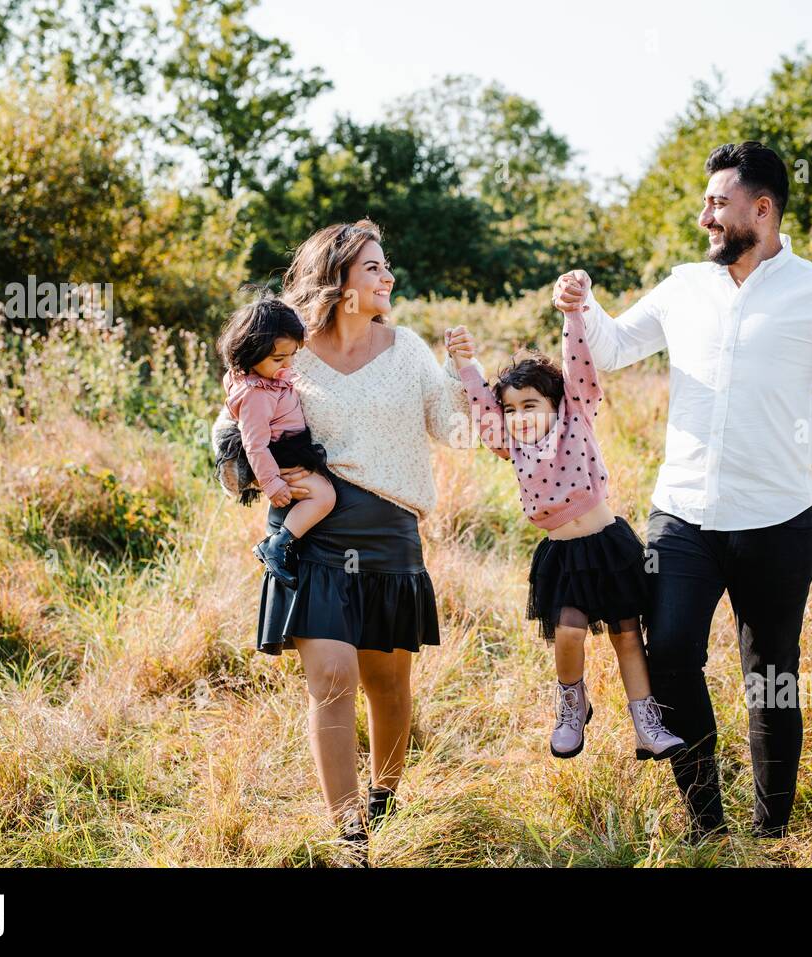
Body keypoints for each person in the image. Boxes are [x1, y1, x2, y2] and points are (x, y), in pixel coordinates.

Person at [552, 141, 812, 841]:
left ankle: (771, 835)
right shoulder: (684, 285)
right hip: (683, 516)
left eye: (718, 203)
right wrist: (583, 303)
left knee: (772, 677)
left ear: (762, 208)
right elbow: (616, 347)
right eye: (707, 202)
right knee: (672, 653)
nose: (706, 216)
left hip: (777, 521)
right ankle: (707, 825)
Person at [255, 219, 481, 865]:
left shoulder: (406, 348)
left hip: (389, 537)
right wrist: (263, 472)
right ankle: (349, 834)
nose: (388, 277)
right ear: (340, 282)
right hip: (312, 539)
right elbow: (235, 424)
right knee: (332, 677)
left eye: (386, 266)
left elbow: (453, 429)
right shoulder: (287, 352)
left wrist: (464, 369)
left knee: (388, 683)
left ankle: (385, 798)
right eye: (374, 267)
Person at [445, 312, 686, 762]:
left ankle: (646, 724)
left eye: (530, 405)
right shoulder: (510, 444)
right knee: (568, 633)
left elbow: (578, 366)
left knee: (628, 636)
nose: (519, 417)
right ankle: (573, 705)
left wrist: (572, 314)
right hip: (562, 556)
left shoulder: (576, 419)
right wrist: (465, 361)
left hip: (610, 547)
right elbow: (481, 403)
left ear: (557, 404)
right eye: (511, 409)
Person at [212, 288, 335, 590]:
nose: (288, 365)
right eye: (279, 358)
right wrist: (272, 484)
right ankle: (278, 544)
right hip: (281, 457)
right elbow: (255, 443)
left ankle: (282, 542)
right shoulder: (255, 394)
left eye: (292, 355)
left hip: (290, 448)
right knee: (324, 495)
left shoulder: (268, 377)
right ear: (251, 354)